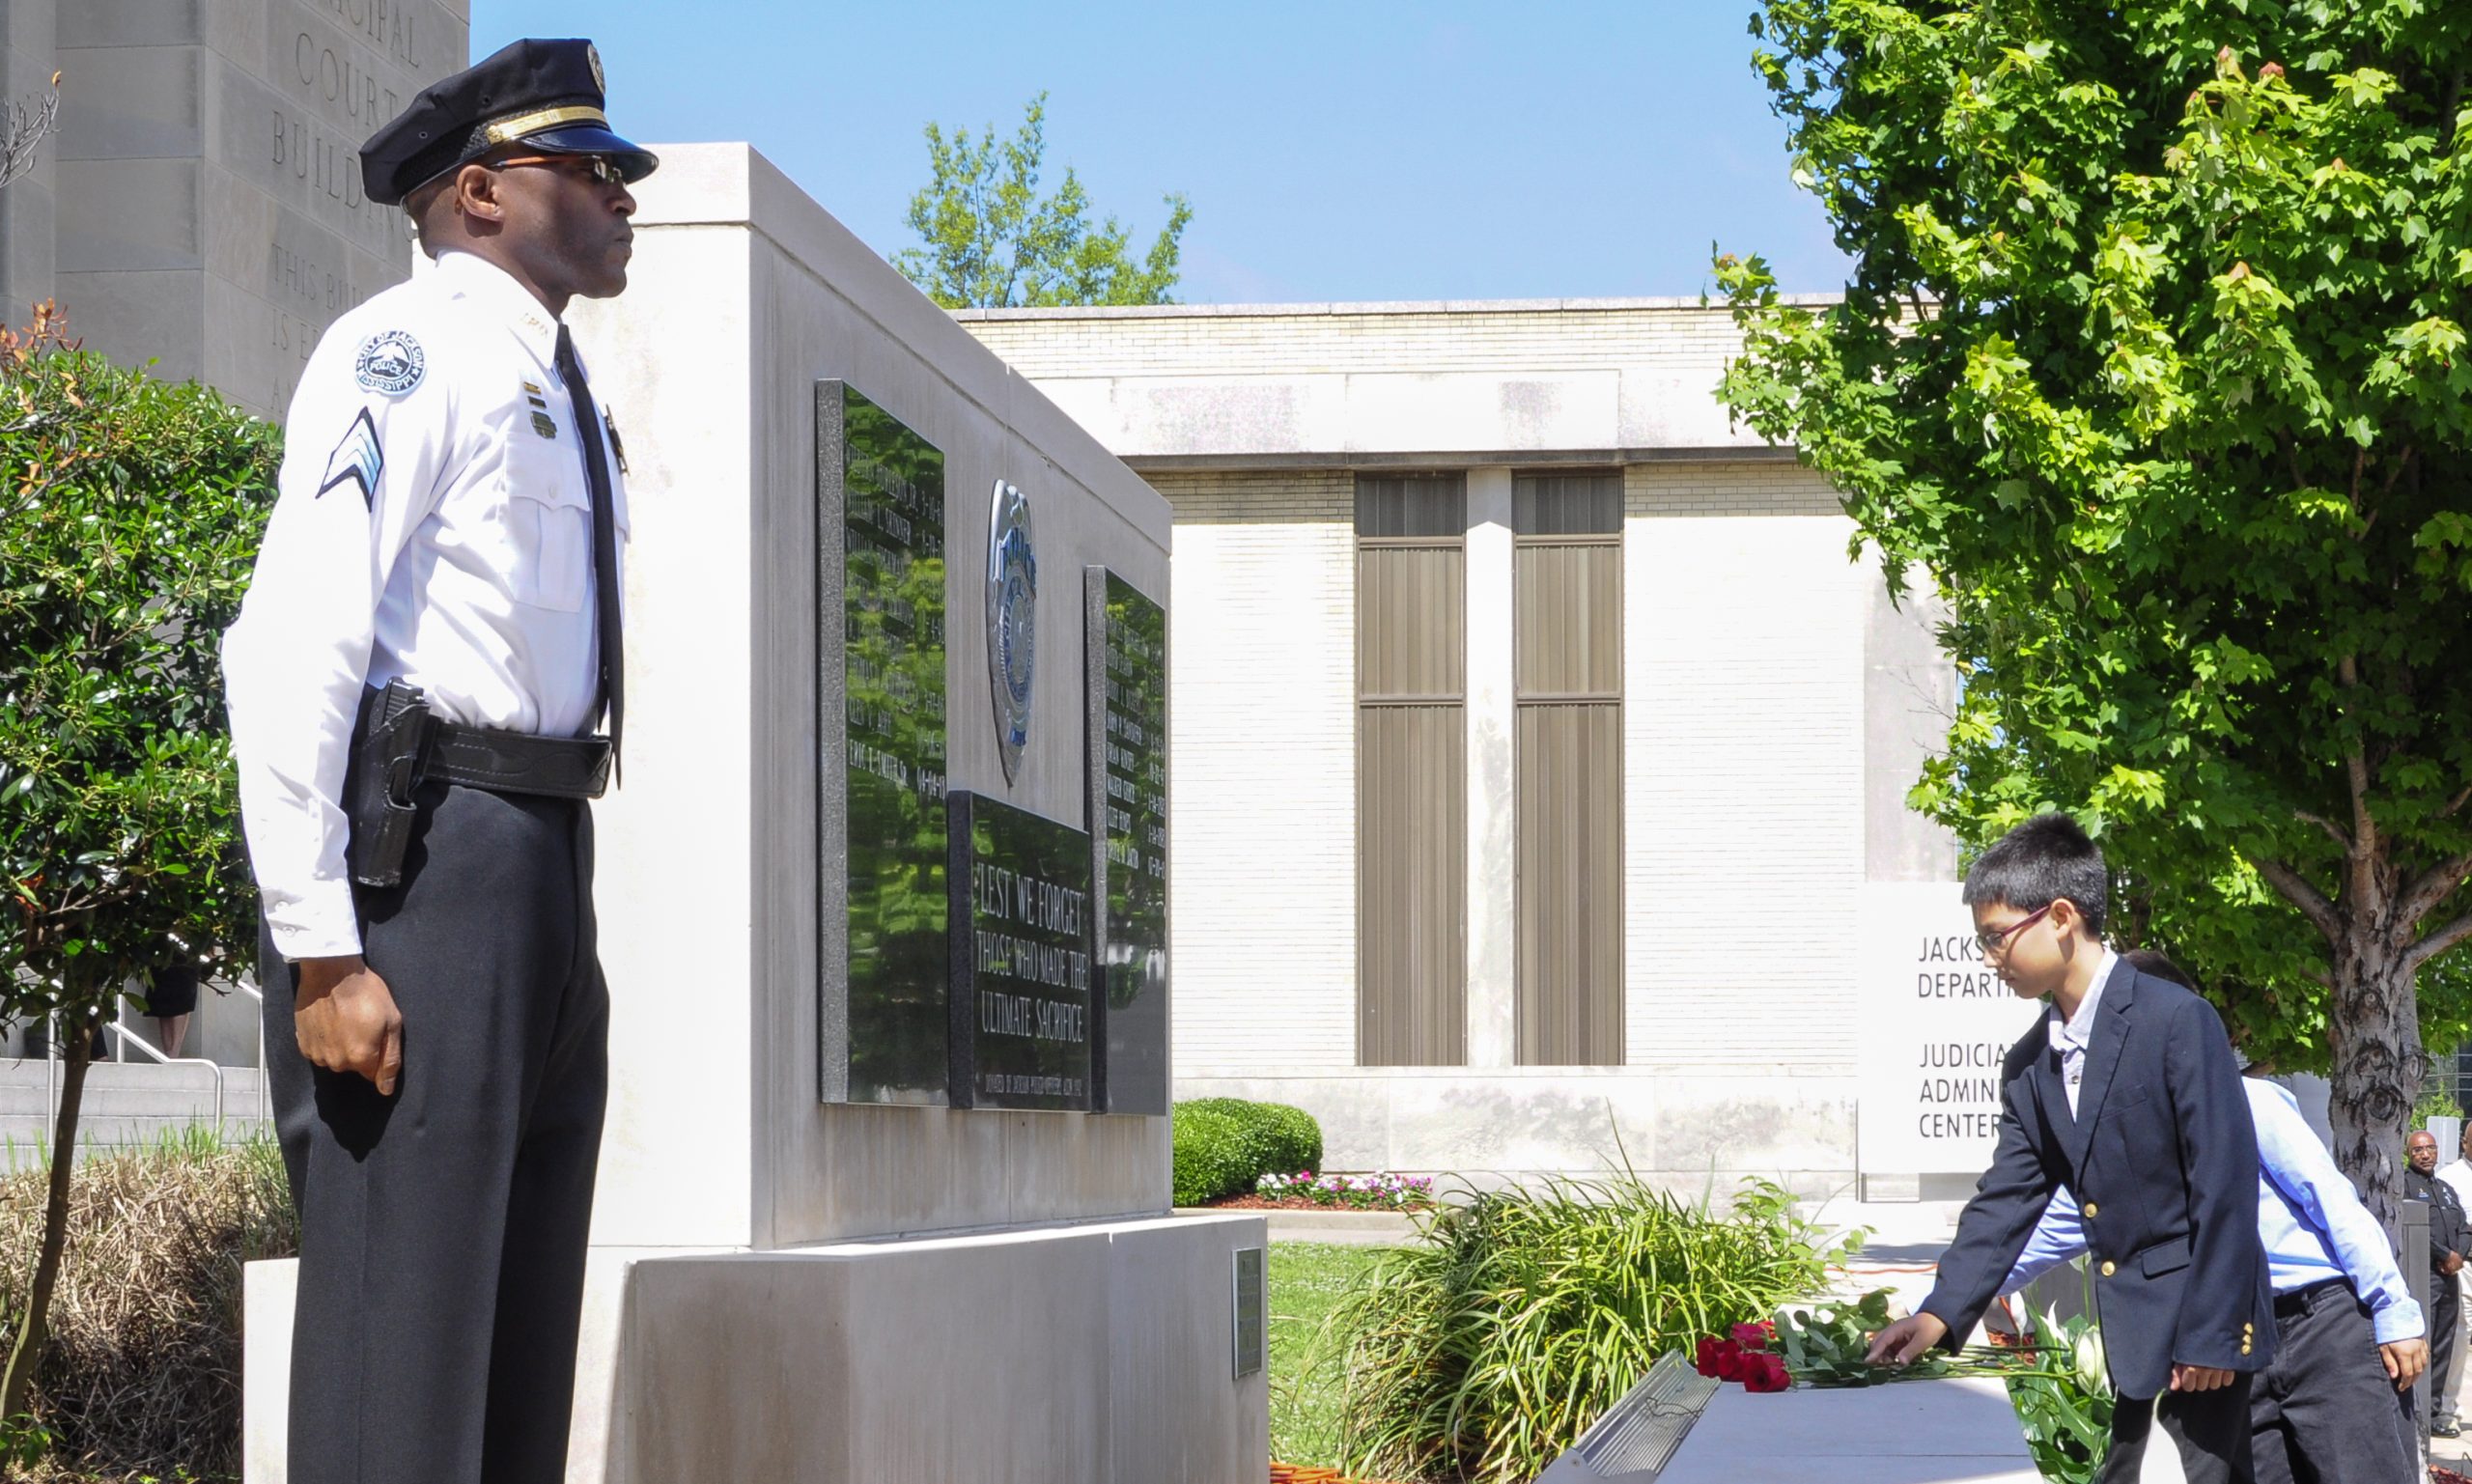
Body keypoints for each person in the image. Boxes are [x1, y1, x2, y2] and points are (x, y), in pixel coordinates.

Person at [220, 37, 653, 1484]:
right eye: (587, 169)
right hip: (427, 863)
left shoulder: (561, 381)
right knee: (397, 1350)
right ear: (478, 192)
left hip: (541, 856)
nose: (621, 192)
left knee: (517, 1355)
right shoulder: (399, 355)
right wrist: (322, 948)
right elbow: (291, 647)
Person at [1865, 814, 2272, 1482]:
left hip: (2201, 1341)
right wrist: (1939, 1310)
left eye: (1996, 937)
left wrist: (2213, 1332)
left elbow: (2224, 1186)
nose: (1989, 958)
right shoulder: (2030, 1064)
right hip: (2132, 1337)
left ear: (2060, 916)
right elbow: (2005, 1201)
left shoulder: (2177, 1020)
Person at [2002, 953, 2427, 1484]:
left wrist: (2394, 1310)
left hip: (2323, 1328)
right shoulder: (2111, 1142)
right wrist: (1948, 1301)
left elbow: (2333, 1201)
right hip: (2233, 1345)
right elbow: (2055, 1228)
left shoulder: (2250, 1101)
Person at [2404, 1129, 2467, 1437]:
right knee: (2423, 1342)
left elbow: (2465, 1227)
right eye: (2418, 1150)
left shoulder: (2445, 1188)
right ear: (2409, 1154)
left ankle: (2433, 1413)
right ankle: (2415, 1410)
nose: (2425, 1154)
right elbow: (2418, 1231)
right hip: (2423, 1275)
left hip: (2449, 1277)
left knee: (2445, 1344)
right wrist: (2445, 1254)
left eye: (2430, 1148)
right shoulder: (2405, 1184)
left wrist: (2458, 1256)